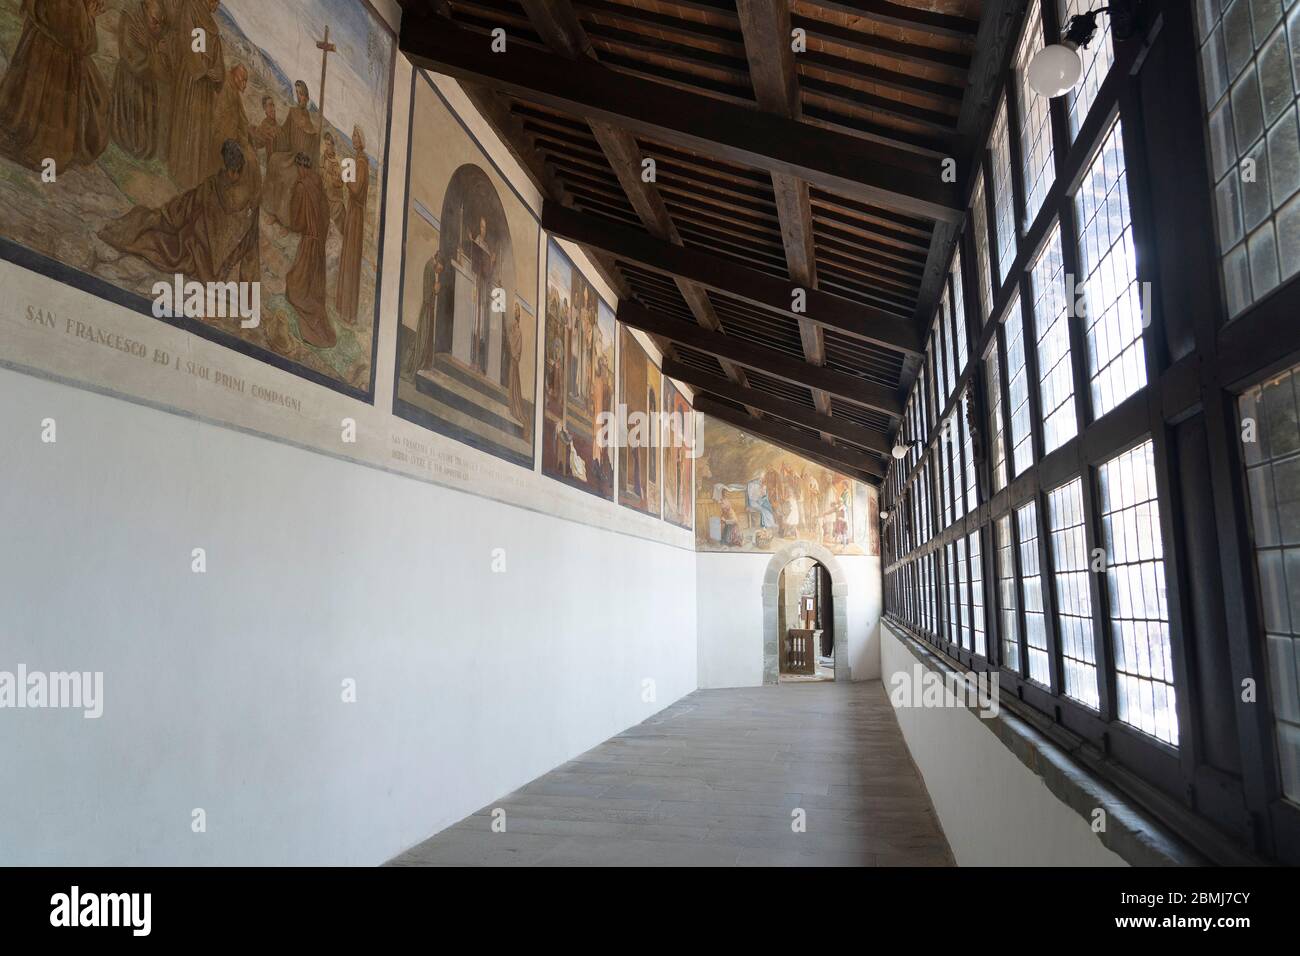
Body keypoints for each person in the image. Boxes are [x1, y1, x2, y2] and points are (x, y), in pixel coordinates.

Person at [99, 137, 260, 287]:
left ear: (229, 167)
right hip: (215, 276)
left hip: (194, 253)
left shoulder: (211, 186)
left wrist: (162, 216)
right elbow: (250, 251)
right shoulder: (251, 206)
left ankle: (134, 228)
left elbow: (180, 211)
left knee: (158, 238)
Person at [0, 0, 110, 171]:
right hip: (57, 61)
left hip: (37, 47)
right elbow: (79, 38)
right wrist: (89, 17)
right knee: (96, 102)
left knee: (98, 95)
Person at [167, 0, 225, 190]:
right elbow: (190, 39)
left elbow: (217, 58)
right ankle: (180, 171)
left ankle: (194, 176)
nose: (216, 6)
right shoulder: (191, 8)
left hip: (206, 87)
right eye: (216, 1)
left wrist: (217, 72)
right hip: (192, 80)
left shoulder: (213, 27)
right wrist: (203, 69)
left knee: (200, 130)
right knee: (187, 122)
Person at [108, 0, 167, 160]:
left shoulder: (157, 13)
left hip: (147, 81)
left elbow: (160, 45)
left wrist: (154, 49)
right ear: (144, 8)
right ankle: (125, 141)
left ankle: (142, 147)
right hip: (130, 78)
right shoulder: (130, 16)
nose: (157, 28)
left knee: (145, 124)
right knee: (129, 119)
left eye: (160, 23)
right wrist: (154, 54)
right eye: (154, 22)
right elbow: (130, 56)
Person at [284, 151, 332, 348]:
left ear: (300, 167)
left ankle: (310, 317)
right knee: (314, 284)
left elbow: (296, 222)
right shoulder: (318, 186)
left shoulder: (302, 187)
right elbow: (326, 213)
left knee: (297, 285)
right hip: (318, 243)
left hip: (309, 242)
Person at [262, 80, 318, 226]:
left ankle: (286, 222)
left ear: (306, 97)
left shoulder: (311, 126)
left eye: (301, 94)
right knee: (274, 160)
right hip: (290, 155)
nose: (299, 97)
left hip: (300, 163)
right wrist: (274, 134)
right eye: (297, 93)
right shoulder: (292, 112)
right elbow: (284, 135)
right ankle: (274, 212)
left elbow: (311, 156)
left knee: (290, 177)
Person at [335, 126, 369, 323]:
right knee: (348, 256)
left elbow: (356, 191)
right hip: (353, 212)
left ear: (361, 139)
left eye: (356, 135)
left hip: (356, 214)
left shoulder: (362, 162)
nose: (353, 137)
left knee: (351, 258)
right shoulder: (357, 160)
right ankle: (343, 308)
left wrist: (347, 179)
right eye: (353, 135)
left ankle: (348, 312)